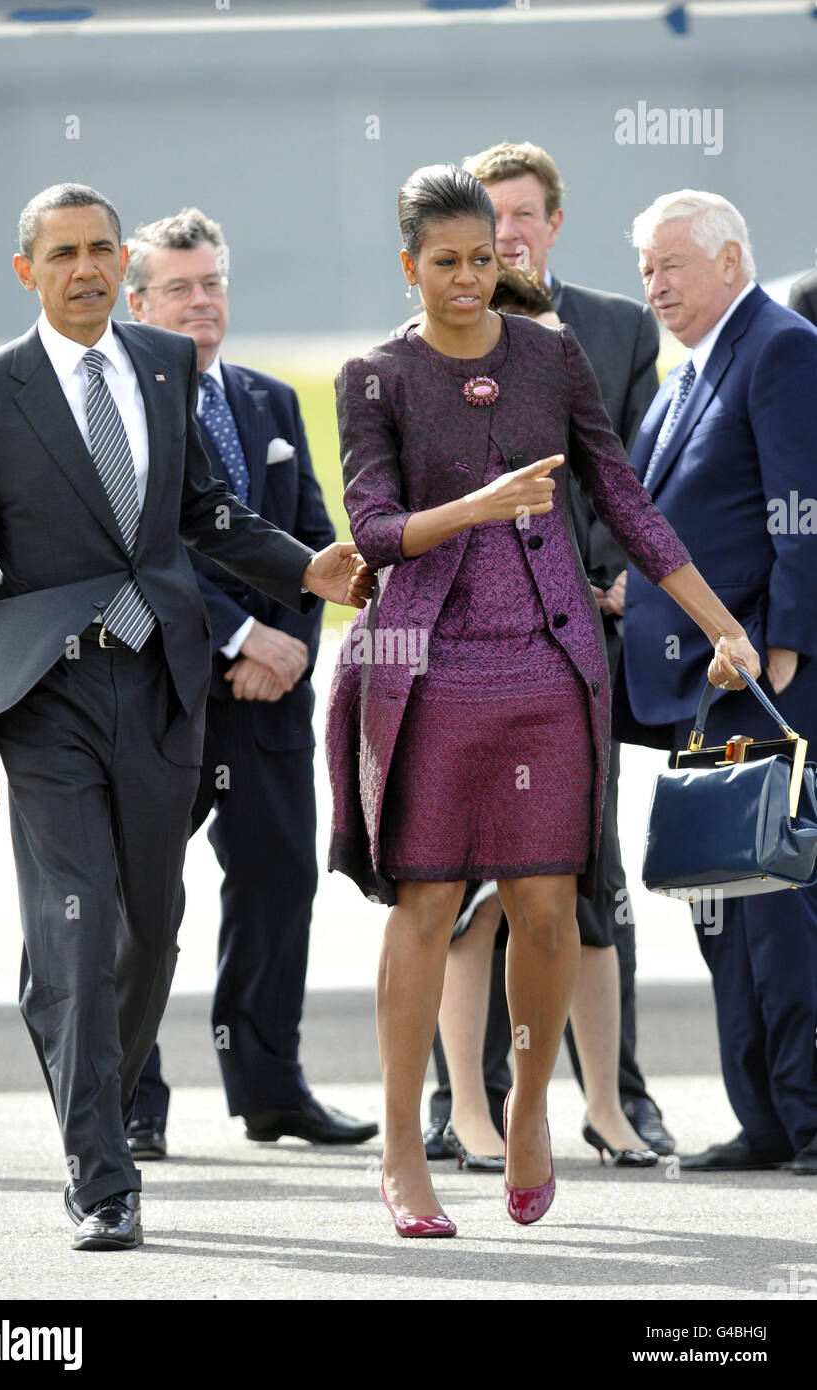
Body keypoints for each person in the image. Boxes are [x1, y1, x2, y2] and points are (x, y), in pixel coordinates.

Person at [0, 183, 372, 1252]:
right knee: (78, 933)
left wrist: (305, 565)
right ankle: (102, 1169)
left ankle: (81, 1071)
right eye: (62, 253)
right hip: (44, 695)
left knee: (148, 933)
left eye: (99, 249)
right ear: (26, 269)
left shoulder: (165, 366)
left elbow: (203, 513)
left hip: (164, 685)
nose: (84, 268)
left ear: (120, 260)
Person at [326, 164, 760, 1236]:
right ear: (408, 266)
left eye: (485, 257)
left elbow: (623, 497)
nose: (470, 277)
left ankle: (529, 1109)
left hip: (549, 662)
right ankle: (400, 1149)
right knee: (427, 905)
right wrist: (476, 504)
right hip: (429, 669)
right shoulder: (373, 374)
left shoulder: (553, 357)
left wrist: (719, 622)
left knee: (550, 905)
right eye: (446, 262)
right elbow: (374, 528)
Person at [425, 139, 673, 1167]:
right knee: (461, 880)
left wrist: (623, 572)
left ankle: (614, 1097)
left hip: (582, 643)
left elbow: (639, 468)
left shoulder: (614, 328)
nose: (507, 232)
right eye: (489, 217)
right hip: (469, 641)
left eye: (523, 215)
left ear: (553, 223)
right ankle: (464, 1102)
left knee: (581, 875)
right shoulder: (435, 336)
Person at [123, 208, 377, 1151]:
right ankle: (129, 1105)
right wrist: (236, 638)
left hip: (271, 700)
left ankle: (271, 1089)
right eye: (180, 287)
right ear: (138, 301)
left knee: (277, 883)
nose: (201, 301)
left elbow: (311, 536)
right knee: (136, 899)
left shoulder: (266, 402)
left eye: (213, 282)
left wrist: (290, 641)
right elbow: (136, 549)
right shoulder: (122, 405)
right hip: (162, 692)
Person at [615, 189, 817, 1176]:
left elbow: (802, 503)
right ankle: (765, 1116)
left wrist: (781, 636)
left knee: (782, 905)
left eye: (671, 264)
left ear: (730, 260)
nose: (653, 283)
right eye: (644, 266)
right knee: (725, 903)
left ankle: (810, 1115)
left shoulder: (777, 347)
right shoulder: (689, 369)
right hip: (703, 682)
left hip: (762, 679)